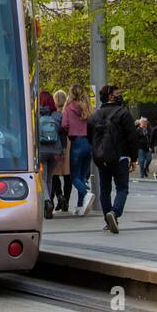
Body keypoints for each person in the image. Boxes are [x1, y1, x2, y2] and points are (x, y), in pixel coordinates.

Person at [89, 86, 136, 234]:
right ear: (110, 96)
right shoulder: (124, 113)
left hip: (102, 158)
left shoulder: (95, 116)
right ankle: (114, 213)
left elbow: (90, 137)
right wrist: (134, 158)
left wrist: (98, 151)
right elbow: (132, 137)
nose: (120, 96)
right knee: (122, 188)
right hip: (120, 157)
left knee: (105, 190)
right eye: (117, 94)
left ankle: (107, 220)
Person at [62, 84, 95, 216]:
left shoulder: (68, 108)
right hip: (88, 143)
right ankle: (80, 206)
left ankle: (86, 193)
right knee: (81, 176)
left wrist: (69, 131)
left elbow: (64, 124)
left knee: (74, 176)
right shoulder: (88, 108)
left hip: (76, 143)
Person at [36, 91, 65, 219]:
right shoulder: (58, 115)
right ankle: (49, 203)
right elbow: (63, 132)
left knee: (42, 178)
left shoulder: (35, 115)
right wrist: (63, 150)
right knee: (50, 178)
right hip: (55, 151)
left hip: (41, 150)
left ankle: (47, 201)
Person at [50, 89, 73, 212]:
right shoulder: (69, 112)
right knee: (68, 174)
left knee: (54, 174)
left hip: (55, 144)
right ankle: (67, 201)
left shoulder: (53, 114)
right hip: (68, 144)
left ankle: (59, 196)